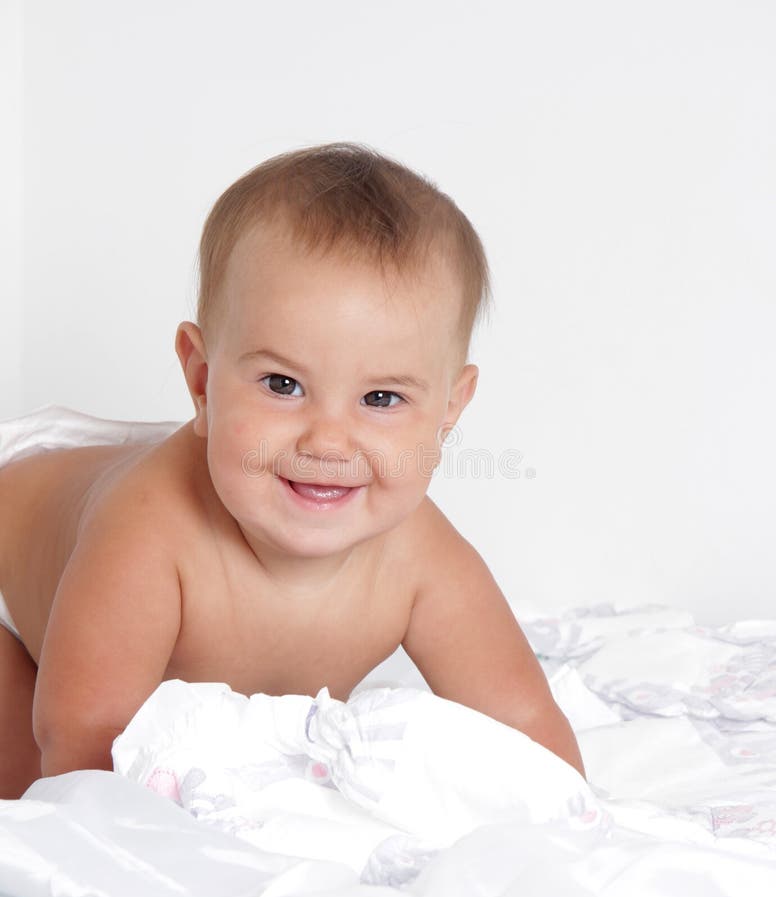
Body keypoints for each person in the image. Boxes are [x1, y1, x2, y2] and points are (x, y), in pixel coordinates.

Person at [0, 142, 584, 799]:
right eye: (283, 384)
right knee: (32, 787)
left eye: (381, 398)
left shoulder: (421, 559)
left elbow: (524, 726)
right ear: (202, 378)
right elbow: (83, 741)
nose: (329, 442)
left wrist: (578, 829)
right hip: (15, 560)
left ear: (449, 409)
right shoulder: (148, 535)